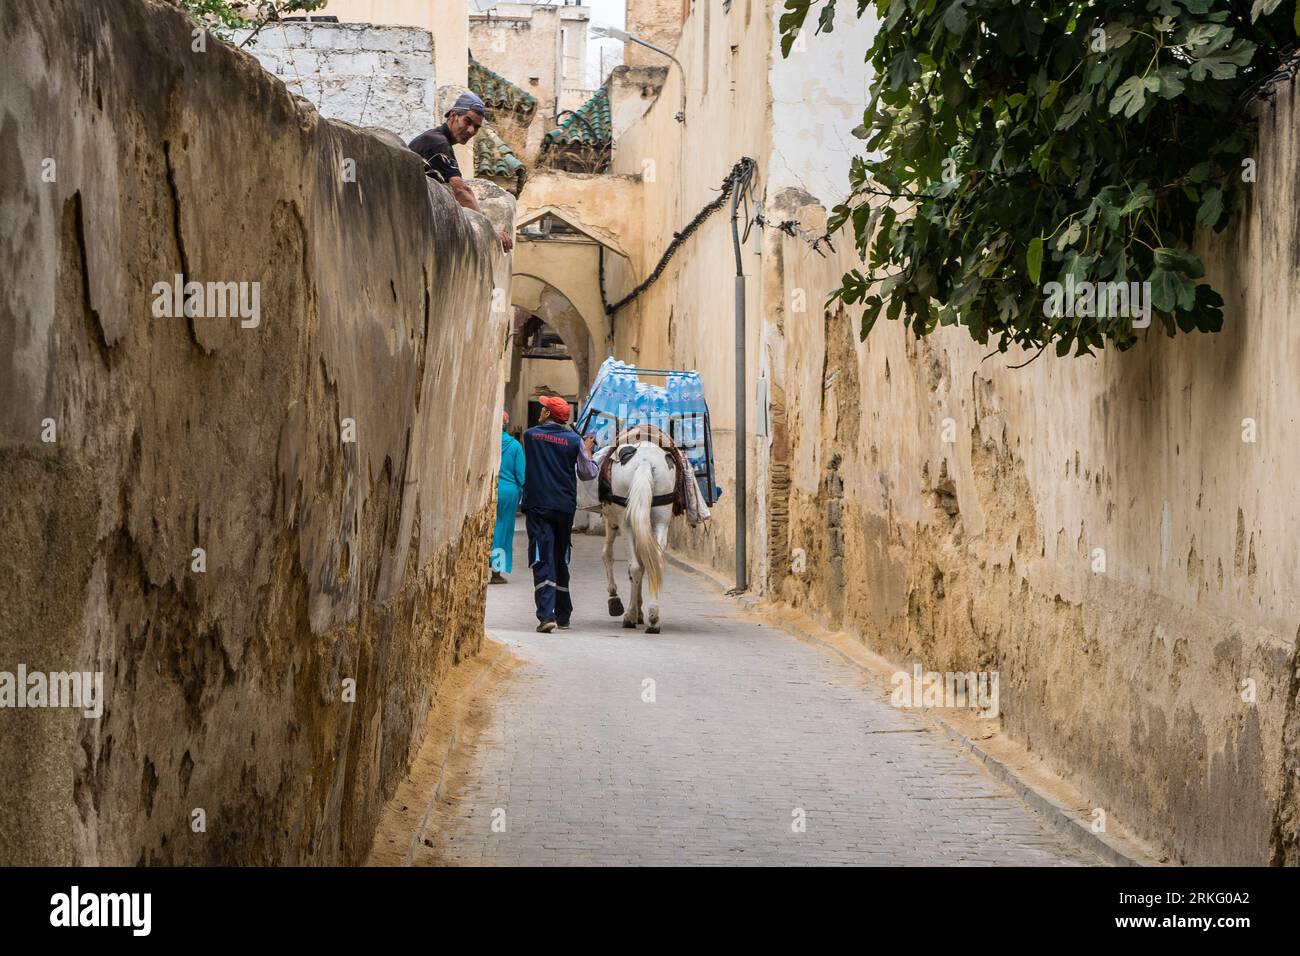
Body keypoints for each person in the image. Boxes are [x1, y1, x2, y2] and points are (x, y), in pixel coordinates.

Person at [521, 395, 598, 633]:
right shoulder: (574, 441)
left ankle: (547, 615)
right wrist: (586, 450)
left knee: (542, 556)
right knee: (560, 556)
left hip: (538, 505)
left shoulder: (530, 436)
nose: (541, 411)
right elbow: (588, 473)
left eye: (543, 409)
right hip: (564, 507)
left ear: (547, 415)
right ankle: (563, 613)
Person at [408, 92, 514, 253]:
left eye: (476, 127)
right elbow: (460, 190)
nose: (471, 130)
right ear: (453, 116)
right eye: (467, 121)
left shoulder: (437, 140)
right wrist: (489, 231)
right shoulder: (437, 142)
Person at [491, 411, 525, 584]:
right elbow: (521, 475)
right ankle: (496, 572)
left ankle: (482, 564)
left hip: (489, 488)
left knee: (488, 529)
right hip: (508, 492)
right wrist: (522, 494)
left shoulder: (488, 442)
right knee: (503, 530)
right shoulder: (515, 446)